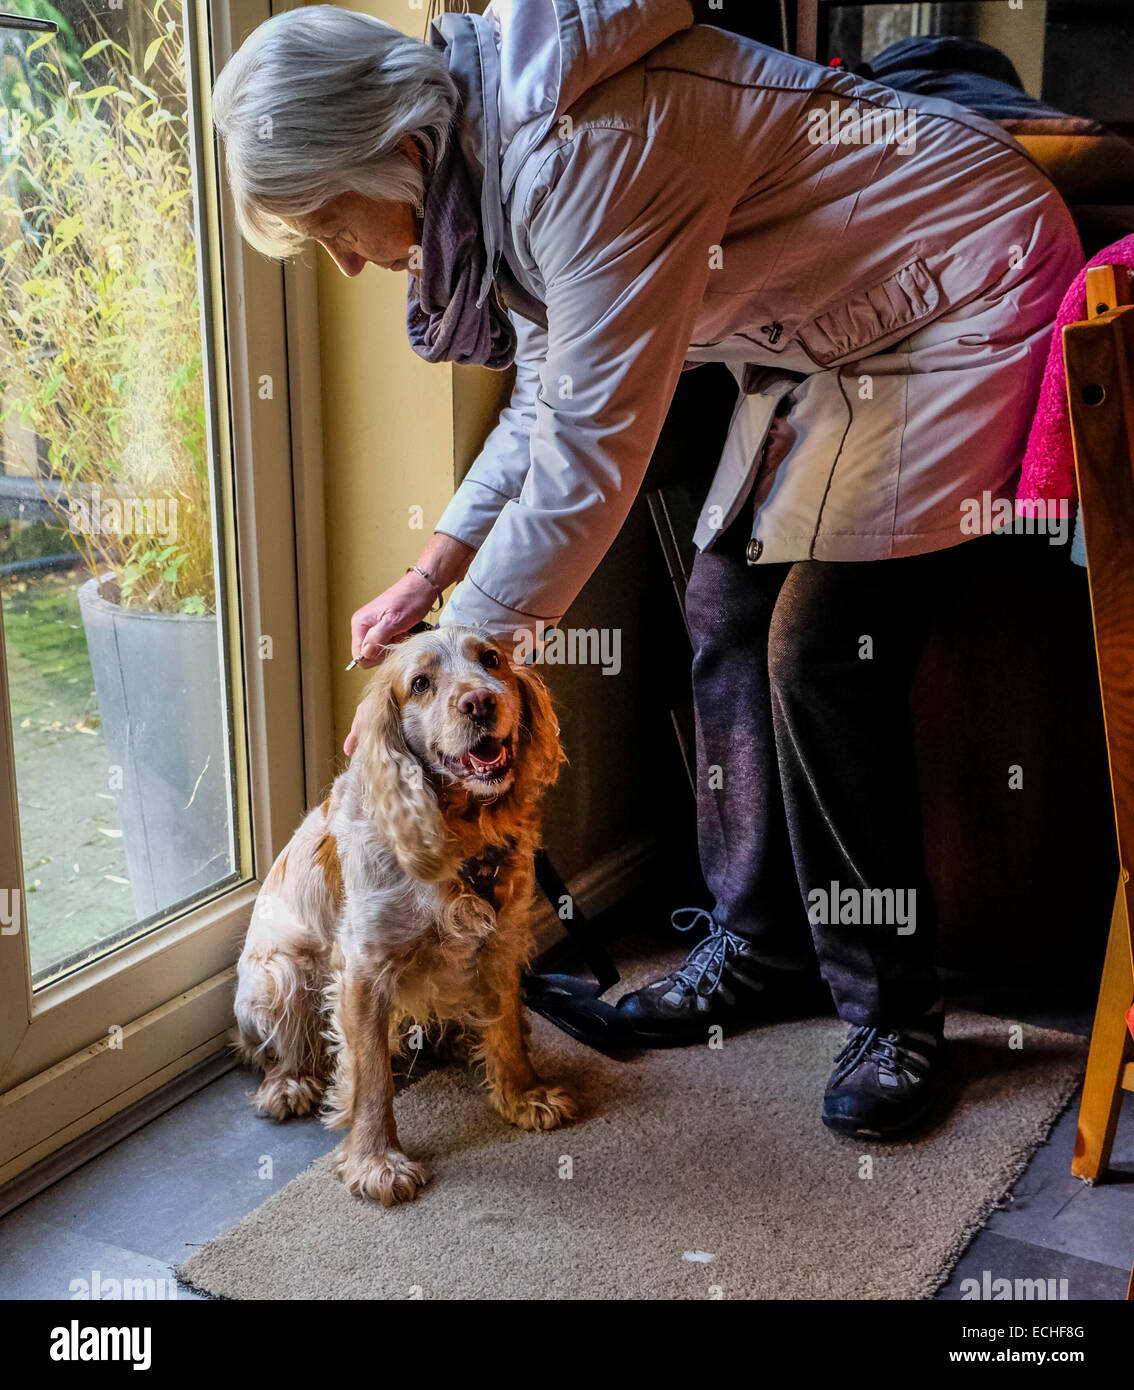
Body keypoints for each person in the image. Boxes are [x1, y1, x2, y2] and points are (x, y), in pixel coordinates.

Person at [212, 1, 1083, 1138]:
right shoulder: (491, 156)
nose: (349, 259)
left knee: (823, 648)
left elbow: (586, 457)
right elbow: (544, 394)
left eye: (333, 221)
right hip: (841, 323)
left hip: (963, 277)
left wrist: (448, 667)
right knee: (721, 600)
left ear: (389, 149)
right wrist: (437, 571)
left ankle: (897, 1014)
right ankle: (765, 948)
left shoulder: (579, 150)